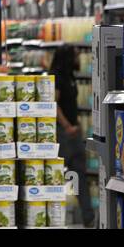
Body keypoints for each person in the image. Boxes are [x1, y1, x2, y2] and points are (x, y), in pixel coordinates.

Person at [52, 45, 94, 227]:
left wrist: (76, 125)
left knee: (79, 174)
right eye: (76, 56)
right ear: (68, 58)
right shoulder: (57, 78)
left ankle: (88, 217)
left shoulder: (70, 76)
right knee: (56, 176)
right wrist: (67, 126)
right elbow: (53, 104)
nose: (80, 59)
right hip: (62, 134)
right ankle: (55, 217)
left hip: (73, 133)